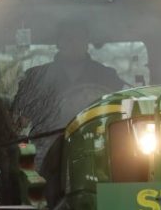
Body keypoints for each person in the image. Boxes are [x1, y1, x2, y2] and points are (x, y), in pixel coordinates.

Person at [11, 20, 124, 169]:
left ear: (86, 42)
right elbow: (20, 122)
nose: (73, 42)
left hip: (98, 147)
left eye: (78, 37)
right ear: (58, 42)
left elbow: (119, 114)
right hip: (46, 151)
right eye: (67, 38)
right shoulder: (35, 77)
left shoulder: (107, 76)